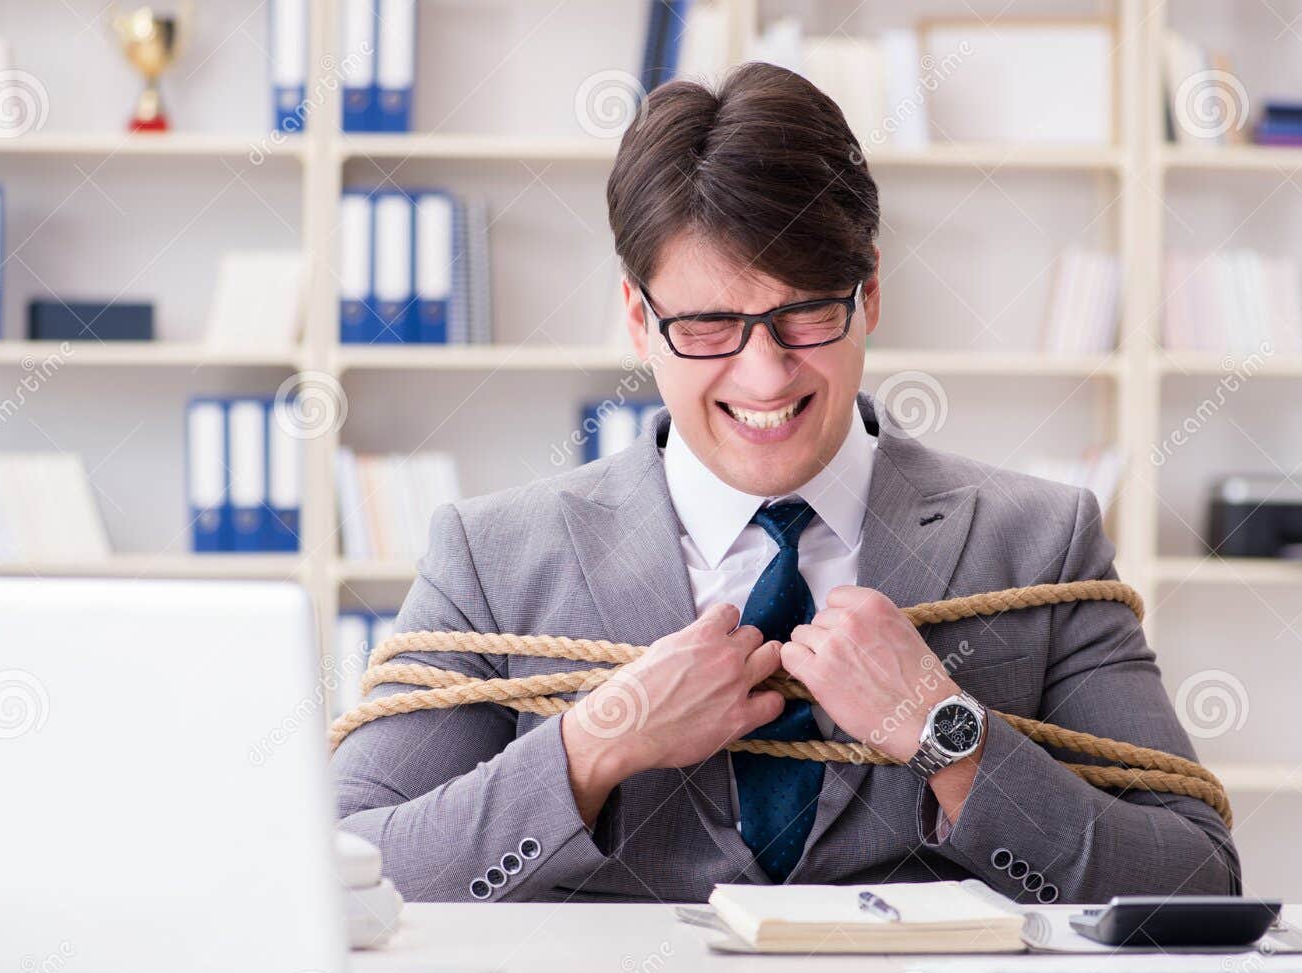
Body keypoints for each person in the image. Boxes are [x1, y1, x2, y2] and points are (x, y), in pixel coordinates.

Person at [333, 63, 1240, 903]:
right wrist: (595, 744)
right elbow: (343, 869)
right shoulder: (493, 559)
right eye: (708, 324)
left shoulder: (1042, 541)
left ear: (869, 293)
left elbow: (1197, 879)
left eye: (804, 314)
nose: (764, 377)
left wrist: (948, 736)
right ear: (637, 320)